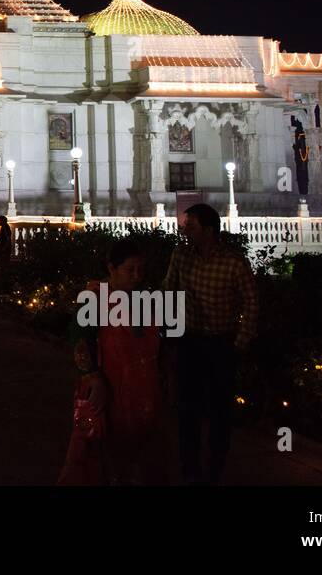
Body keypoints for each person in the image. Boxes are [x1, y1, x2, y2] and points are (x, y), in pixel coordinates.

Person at [59, 236, 168, 485]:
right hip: (111, 389)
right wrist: (93, 378)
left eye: (140, 269)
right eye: (130, 270)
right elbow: (79, 340)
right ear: (111, 269)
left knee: (149, 455)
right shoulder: (95, 297)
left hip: (146, 391)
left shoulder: (147, 297)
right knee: (108, 458)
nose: (136, 275)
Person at [163, 202, 258, 484]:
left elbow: (252, 302)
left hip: (221, 344)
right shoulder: (182, 255)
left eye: (190, 226)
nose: (184, 231)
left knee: (220, 410)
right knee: (187, 408)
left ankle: (214, 468)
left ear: (208, 230)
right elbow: (168, 289)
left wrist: (240, 341)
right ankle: (190, 469)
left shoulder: (233, 261)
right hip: (190, 341)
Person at [0, 213, 13, 290]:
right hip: (5, 248)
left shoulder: (5, 228)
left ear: (2, 221)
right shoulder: (5, 227)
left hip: (5, 249)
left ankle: (4, 280)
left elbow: (8, 239)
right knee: (3, 263)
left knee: (4, 264)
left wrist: (4, 247)